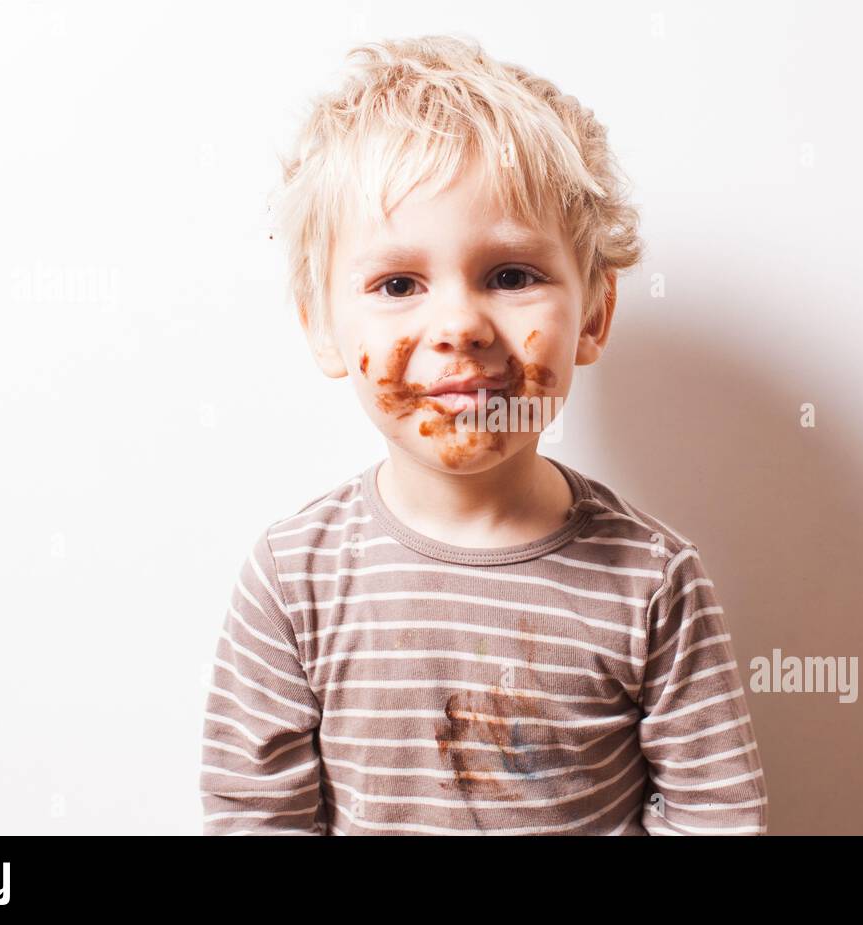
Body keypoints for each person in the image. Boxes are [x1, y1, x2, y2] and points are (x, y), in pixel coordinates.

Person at [199, 34, 767, 835]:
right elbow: (256, 817)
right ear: (324, 329)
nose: (460, 325)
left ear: (594, 314)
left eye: (510, 276)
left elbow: (719, 817)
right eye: (398, 283)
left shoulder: (652, 579)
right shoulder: (294, 582)